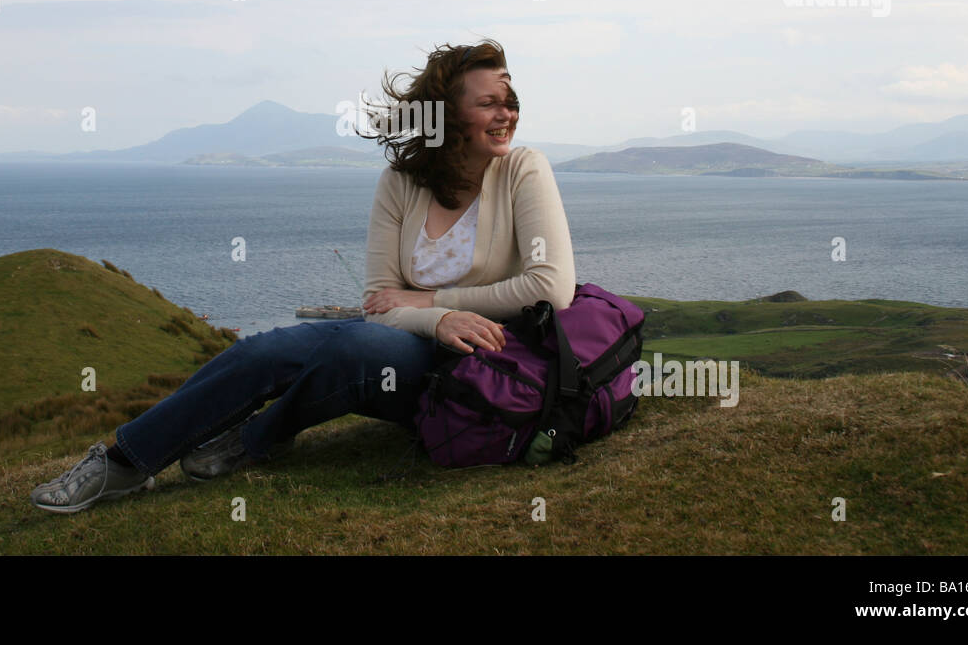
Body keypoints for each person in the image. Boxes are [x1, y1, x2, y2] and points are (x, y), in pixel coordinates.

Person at [30, 38, 576, 513]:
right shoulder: (401, 183)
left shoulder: (524, 169)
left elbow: (550, 286)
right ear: (446, 115)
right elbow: (377, 304)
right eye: (488, 103)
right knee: (262, 352)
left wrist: (432, 299)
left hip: (481, 366)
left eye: (510, 102)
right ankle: (124, 461)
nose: (506, 114)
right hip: (409, 343)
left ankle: (254, 437)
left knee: (353, 348)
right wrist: (435, 319)